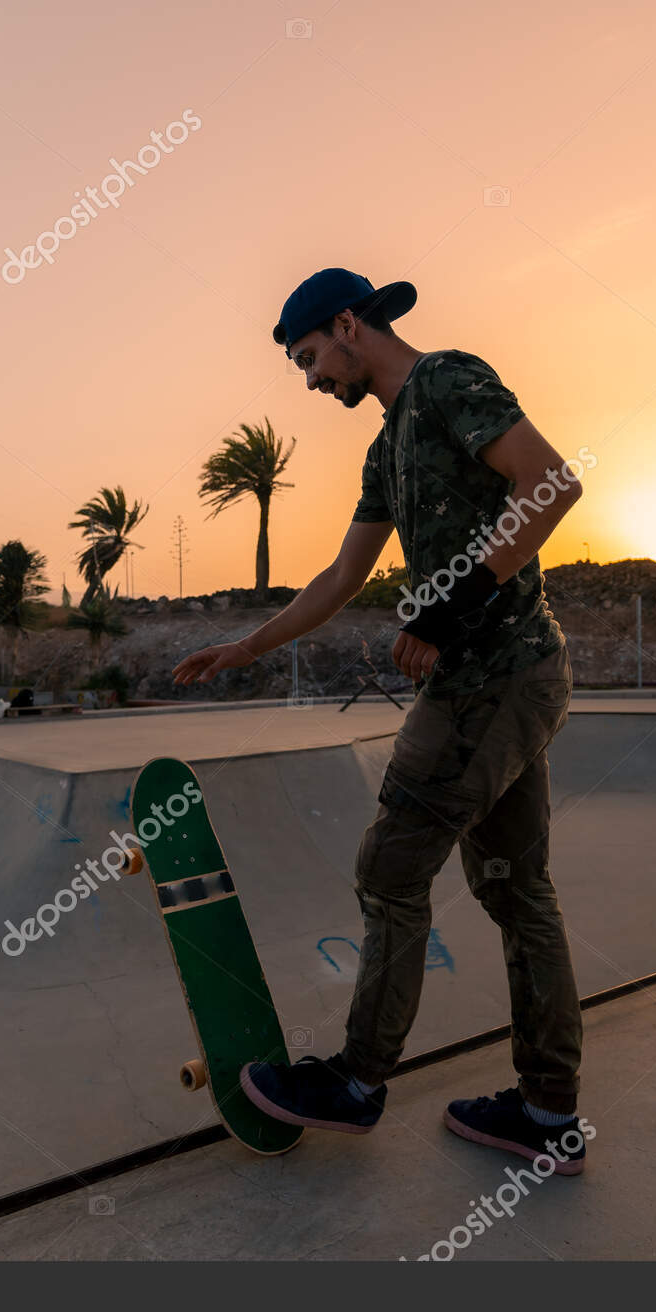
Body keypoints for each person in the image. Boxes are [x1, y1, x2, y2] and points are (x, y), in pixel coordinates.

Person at [172, 268, 589, 1172]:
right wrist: (244, 648)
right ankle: (548, 1113)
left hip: (490, 679)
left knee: (390, 868)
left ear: (351, 326)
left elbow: (551, 483)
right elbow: (338, 579)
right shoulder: (384, 449)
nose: (315, 381)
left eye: (312, 357)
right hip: (515, 676)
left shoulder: (446, 381)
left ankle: (357, 1082)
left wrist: (451, 608)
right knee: (518, 891)